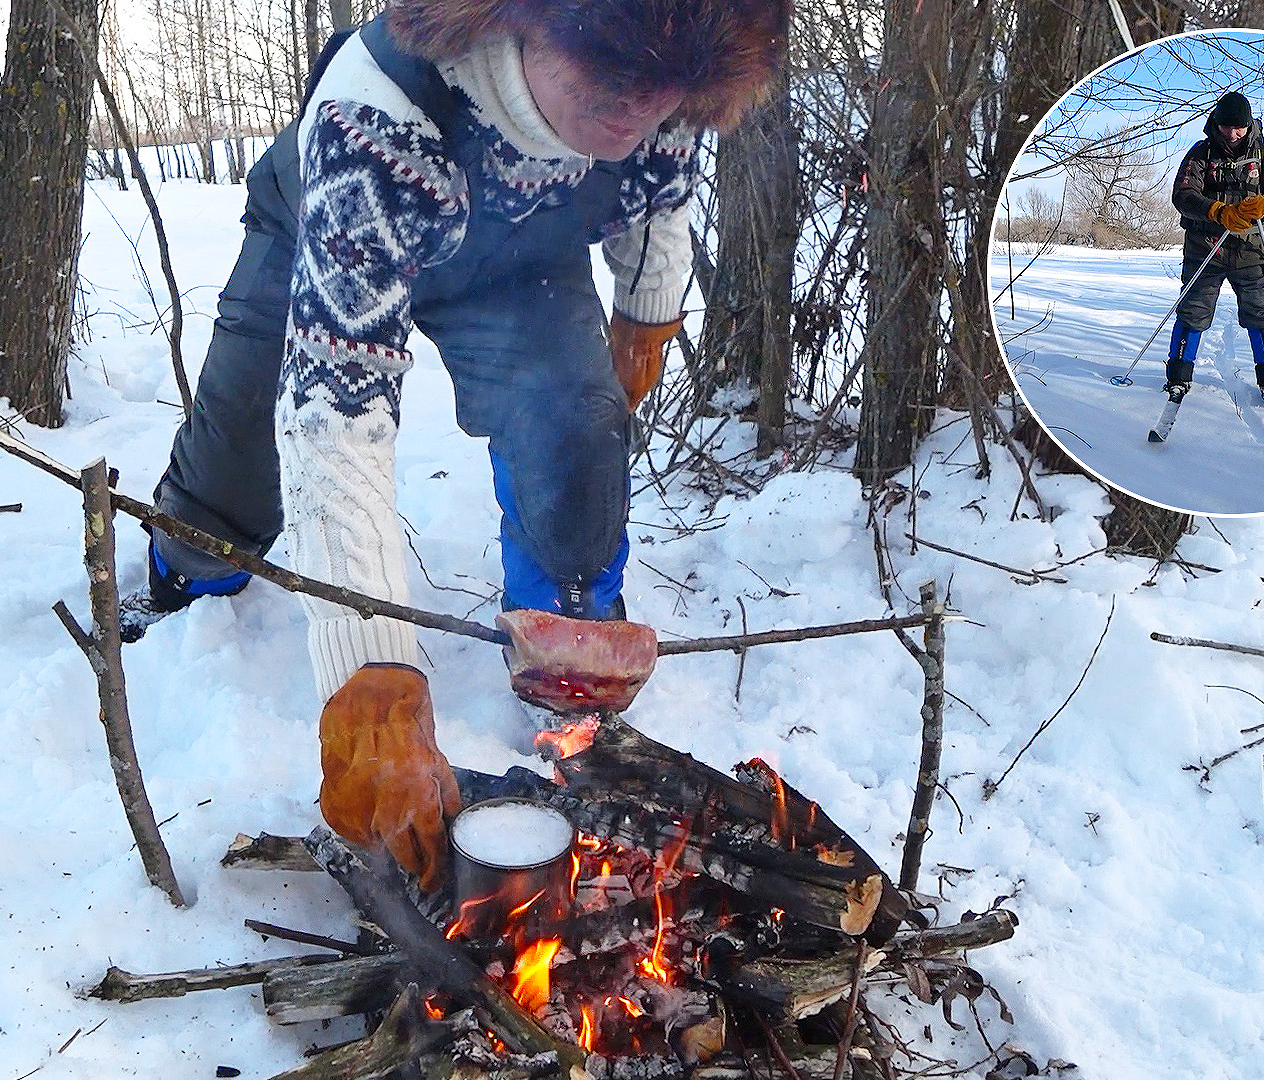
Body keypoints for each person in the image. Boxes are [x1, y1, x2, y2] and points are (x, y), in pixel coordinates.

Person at [125, 0, 790, 890]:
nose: (638, 110)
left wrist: (646, 315)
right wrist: (371, 677)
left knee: (576, 422)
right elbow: (336, 418)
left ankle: (570, 654)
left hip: (518, 262)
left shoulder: (673, 81)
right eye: (609, 76)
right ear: (520, 24)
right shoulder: (376, 115)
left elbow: (657, 203)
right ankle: (189, 570)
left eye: (663, 92)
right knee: (242, 449)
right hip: (325, 221)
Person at [1165, 91, 1264, 409]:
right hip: (1205, 249)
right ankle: (1178, 377)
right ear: (1216, 123)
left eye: (1239, 127)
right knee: (1192, 310)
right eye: (1226, 127)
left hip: (1251, 251)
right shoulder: (1201, 153)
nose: (1233, 134)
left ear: (1248, 125)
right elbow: (1183, 195)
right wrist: (1217, 211)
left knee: (1260, 313)